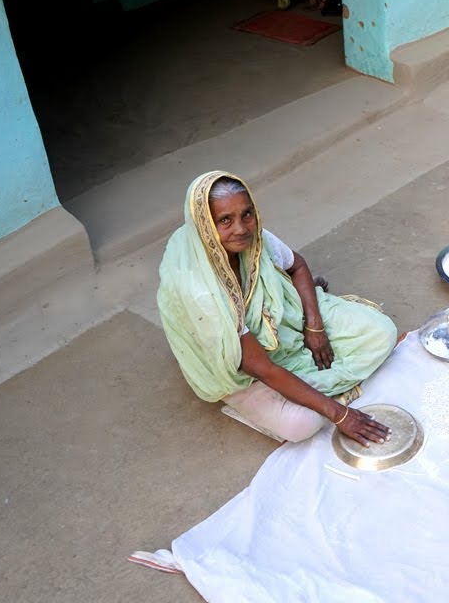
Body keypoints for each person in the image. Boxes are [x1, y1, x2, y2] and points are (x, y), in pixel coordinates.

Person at [157, 171, 396, 446]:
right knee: (302, 425)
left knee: (382, 332)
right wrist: (340, 415)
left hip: (283, 321)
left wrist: (313, 325)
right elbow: (262, 369)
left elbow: (298, 266)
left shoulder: (255, 239)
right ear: (204, 225)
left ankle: (303, 388)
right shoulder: (201, 292)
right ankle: (298, 394)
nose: (241, 228)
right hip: (247, 365)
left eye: (247, 214)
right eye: (225, 220)